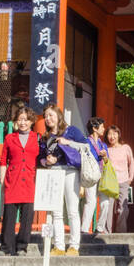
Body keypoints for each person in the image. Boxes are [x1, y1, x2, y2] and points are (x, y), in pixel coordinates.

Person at [38, 104, 87, 256]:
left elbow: (86, 147)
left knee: (72, 210)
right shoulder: (45, 137)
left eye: (51, 115)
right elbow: (39, 158)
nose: (48, 119)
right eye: (46, 116)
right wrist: (47, 162)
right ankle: (58, 245)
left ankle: (74, 246)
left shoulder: (71, 131)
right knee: (56, 212)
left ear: (59, 116)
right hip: (54, 172)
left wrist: (68, 143)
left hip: (71, 172)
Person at [0, 105, 42, 255]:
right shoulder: (10, 138)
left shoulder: (37, 138)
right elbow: (3, 160)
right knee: (9, 215)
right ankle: (6, 247)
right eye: (20, 119)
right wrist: (2, 180)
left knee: (27, 217)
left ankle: (22, 246)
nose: (23, 122)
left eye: (26, 119)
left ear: (31, 121)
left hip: (29, 180)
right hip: (13, 179)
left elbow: (41, 160)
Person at [80, 117, 111, 234]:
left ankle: (100, 227)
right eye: (102, 126)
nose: (103, 129)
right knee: (91, 201)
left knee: (105, 202)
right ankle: (84, 229)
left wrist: (105, 157)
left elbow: (108, 161)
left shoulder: (103, 145)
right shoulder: (86, 142)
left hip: (102, 175)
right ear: (94, 128)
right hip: (90, 175)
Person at [105, 125, 134, 233]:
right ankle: (107, 232)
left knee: (123, 208)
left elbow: (131, 163)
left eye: (114, 133)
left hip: (123, 181)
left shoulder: (125, 148)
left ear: (118, 134)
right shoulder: (106, 150)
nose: (112, 136)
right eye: (109, 134)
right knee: (108, 208)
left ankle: (120, 232)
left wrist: (130, 178)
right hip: (110, 182)